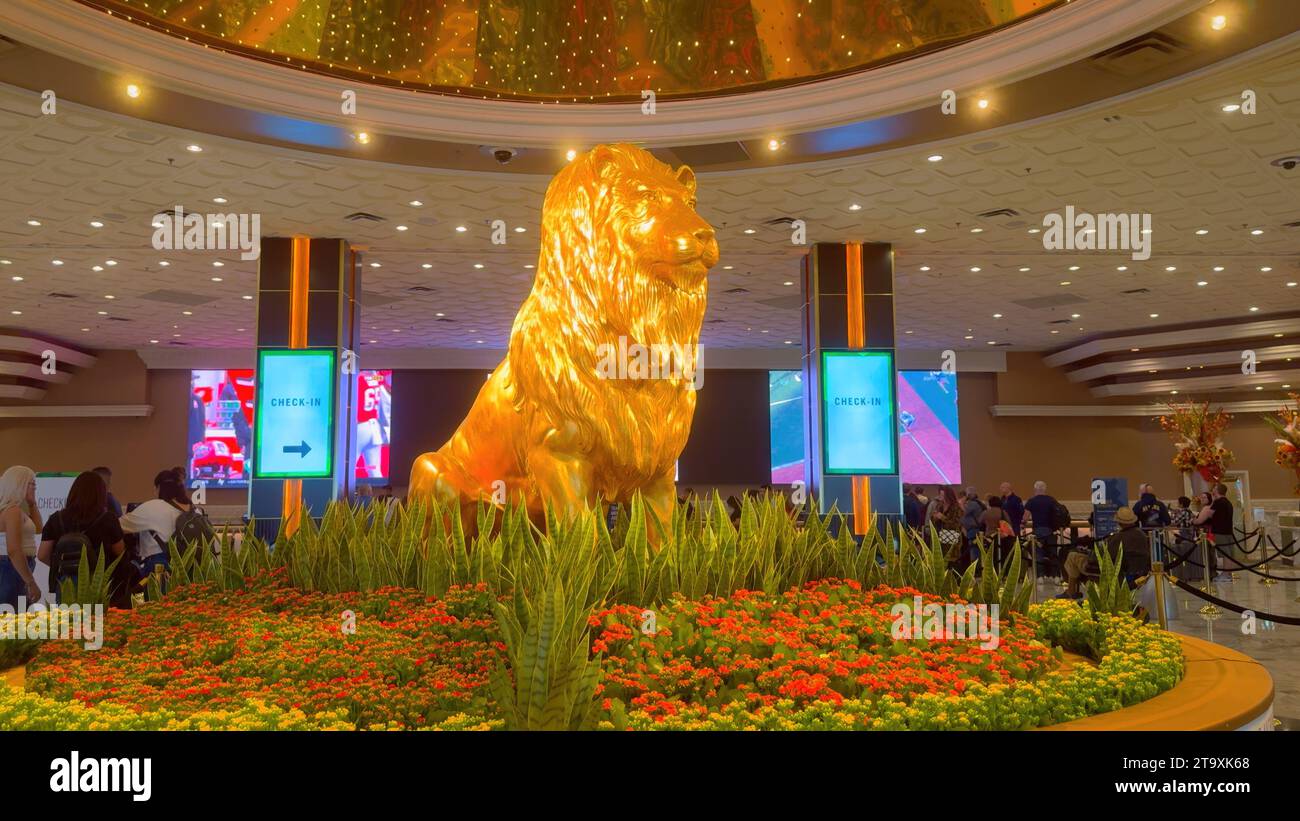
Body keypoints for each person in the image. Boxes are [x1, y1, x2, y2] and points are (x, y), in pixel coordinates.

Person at [37, 471, 129, 607]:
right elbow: (120, 552)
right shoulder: (108, 519)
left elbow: (42, 555)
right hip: (97, 582)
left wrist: (65, 565)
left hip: (66, 583)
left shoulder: (56, 519)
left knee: (68, 619)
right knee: (97, 619)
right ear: (101, 494)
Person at [1062, 506, 1150, 599]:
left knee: (1072, 557)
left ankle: (1071, 591)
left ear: (1119, 522)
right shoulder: (1142, 535)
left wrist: (1088, 551)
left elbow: (1099, 557)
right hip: (1133, 573)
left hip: (1114, 574)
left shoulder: (1119, 538)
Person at [119, 478, 192, 579]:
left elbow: (118, 526)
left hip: (158, 566)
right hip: (189, 566)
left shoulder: (153, 506)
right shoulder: (193, 508)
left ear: (159, 489)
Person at [0, 466, 43, 607]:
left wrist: (32, 503)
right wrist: (31, 582)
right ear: (20, 484)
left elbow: (38, 528)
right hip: (12, 567)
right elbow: (14, 550)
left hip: (16, 567)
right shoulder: (12, 511)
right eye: (32, 483)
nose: (35, 487)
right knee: (12, 612)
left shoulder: (16, 510)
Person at [1193, 482, 1234, 579]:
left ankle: (1226, 575)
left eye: (1214, 488)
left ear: (1217, 490)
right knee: (1228, 553)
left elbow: (1209, 515)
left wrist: (1195, 519)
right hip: (1228, 531)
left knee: (1225, 553)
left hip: (1220, 531)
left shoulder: (1218, 502)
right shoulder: (1228, 502)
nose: (1212, 490)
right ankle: (1228, 574)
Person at [928, 486, 964, 566]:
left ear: (948, 495)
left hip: (951, 537)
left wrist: (943, 518)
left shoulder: (956, 508)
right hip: (938, 537)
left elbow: (956, 524)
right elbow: (932, 521)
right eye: (940, 494)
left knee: (950, 561)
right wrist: (934, 518)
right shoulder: (939, 506)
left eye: (942, 495)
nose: (940, 497)